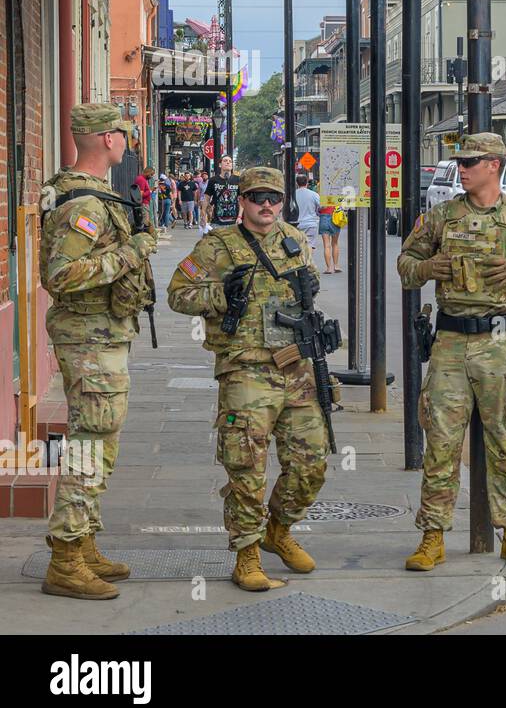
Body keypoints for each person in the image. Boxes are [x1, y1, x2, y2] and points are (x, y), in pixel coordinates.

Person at [396, 133, 506, 571]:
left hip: (501, 343)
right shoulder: (441, 216)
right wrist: (426, 268)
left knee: (505, 443)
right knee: (440, 442)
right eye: (461, 161)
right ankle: (432, 536)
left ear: (494, 165)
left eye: (471, 161)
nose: (462, 167)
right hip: (451, 344)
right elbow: (405, 266)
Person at [166, 167, 329, 592]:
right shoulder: (217, 246)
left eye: (273, 197)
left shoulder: (296, 241)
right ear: (242, 200)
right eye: (257, 196)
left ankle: (279, 529)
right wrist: (221, 294)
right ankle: (247, 555)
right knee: (246, 466)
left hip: (295, 366)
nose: (266, 205)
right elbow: (177, 293)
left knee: (312, 461)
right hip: (245, 367)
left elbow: (304, 298)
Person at [38, 103, 158, 599]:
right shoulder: (83, 206)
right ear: (108, 139)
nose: (127, 142)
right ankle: (65, 558)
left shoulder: (95, 195)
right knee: (89, 445)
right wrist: (134, 251)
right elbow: (60, 276)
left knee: (100, 441)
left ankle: (84, 542)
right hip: (87, 337)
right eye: (124, 134)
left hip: (102, 335)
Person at [206, 155, 241, 229]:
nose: (228, 162)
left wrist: (240, 217)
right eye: (225, 161)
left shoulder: (238, 180)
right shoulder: (213, 180)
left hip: (234, 222)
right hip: (217, 222)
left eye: (230, 161)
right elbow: (207, 198)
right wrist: (203, 214)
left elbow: (242, 200)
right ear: (220, 165)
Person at [294, 174, 321, 266]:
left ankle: (300, 262)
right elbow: (321, 206)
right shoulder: (314, 195)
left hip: (296, 224)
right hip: (310, 223)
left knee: (298, 244)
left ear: (297, 183)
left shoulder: (293, 194)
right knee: (310, 245)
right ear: (307, 183)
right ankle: (308, 262)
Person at [317, 199, 341, 274]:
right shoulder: (336, 192)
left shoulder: (321, 194)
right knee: (335, 243)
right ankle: (336, 266)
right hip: (335, 217)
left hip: (323, 217)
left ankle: (329, 268)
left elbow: (318, 209)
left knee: (326, 245)